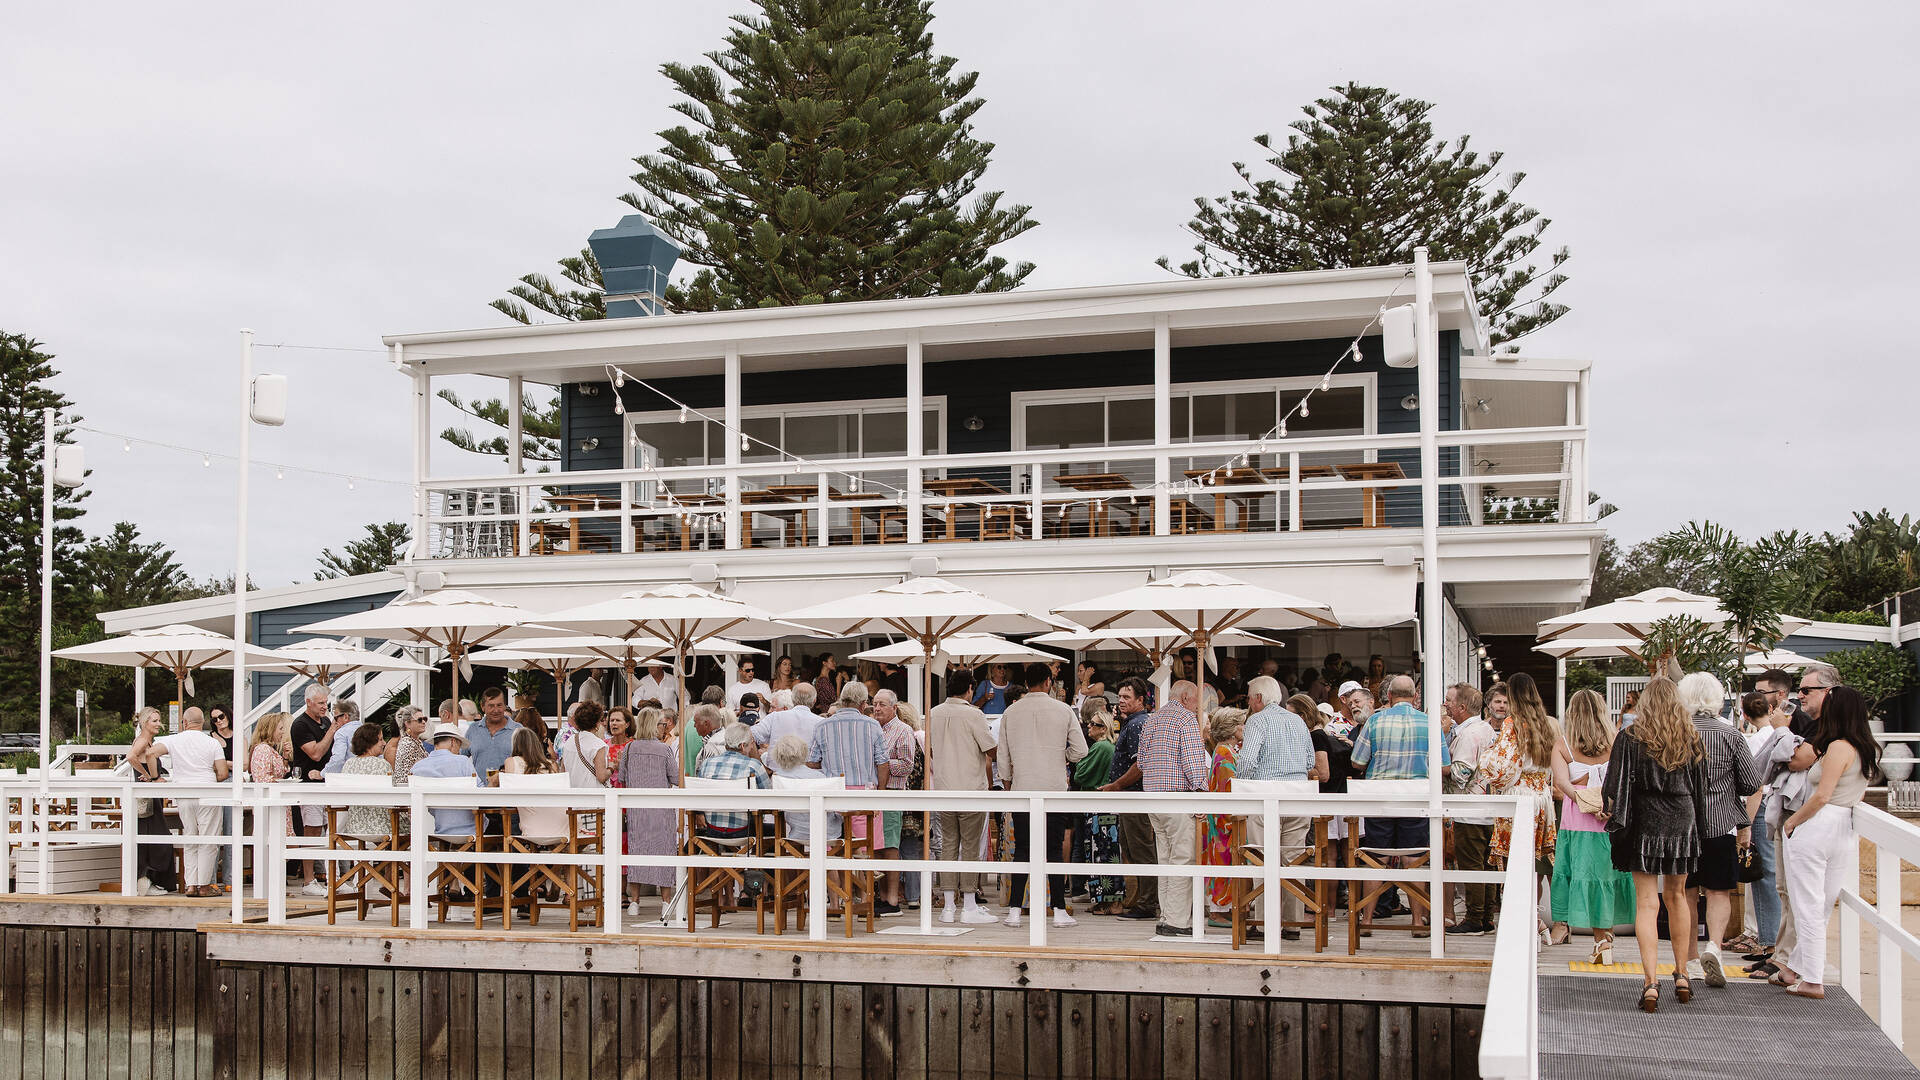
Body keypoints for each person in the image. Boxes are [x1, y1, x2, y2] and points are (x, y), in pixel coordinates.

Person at [1601, 676, 1711, 1012]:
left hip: (1645, 820)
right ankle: (1681, 973)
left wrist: (1613, 816)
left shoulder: (1631, 737)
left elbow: (1613, 787)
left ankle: (1650, 982)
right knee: (1678, 897)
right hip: (1683, 819)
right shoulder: (1692, 737)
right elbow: (1701, 788)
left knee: (1647, 903)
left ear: (1646, 702)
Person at [1774, 684, 1880, 999]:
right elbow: (1858, 793)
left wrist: (1792, 822)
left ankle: (1813, 980)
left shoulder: (1838, 747)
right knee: (1820, 904)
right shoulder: (1868, 748)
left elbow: (1821, 795)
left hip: (1818, 825)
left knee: (1806, 903)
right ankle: (1795, 967)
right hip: (1844, 828)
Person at [1676, 672, 1760, 988]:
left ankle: (1689, 959)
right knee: (1718, 890)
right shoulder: (1732, 736)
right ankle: (1715, 947)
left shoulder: (1674, 734)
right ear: (1716, 700)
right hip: (1719, 824)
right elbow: (1752, 783)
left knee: (1683, 892)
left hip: (1679, 827)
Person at [1747, 664, 1827, 982]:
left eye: (1807, 690)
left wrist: (1781, 731)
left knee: (1792, 890)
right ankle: (1779, 955)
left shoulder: (1819, 726)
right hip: (1786, 813)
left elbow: (1797, 759)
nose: (1802, 695)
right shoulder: (1798, 723)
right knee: (1782, 887)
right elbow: (1761, 765)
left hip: (1802, 817)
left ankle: (1787, 959)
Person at [1350, 675, 1448, 930]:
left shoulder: (1374, 721)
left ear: (1390, 696)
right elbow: (1445, 766)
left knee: (1375, 857)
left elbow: (1357, 762)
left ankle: (1368, 919)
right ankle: (1417, 921)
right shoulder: (1429, 723)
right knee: (1413, 858)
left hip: (1380, 798)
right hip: (1416, 798)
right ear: (1415, 697)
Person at [998, 662, 1088, 929]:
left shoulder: (1011, 712)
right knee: (1054, 850)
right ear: (1049, 682)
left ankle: (1015, 910)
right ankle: (1059, 908)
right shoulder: (1063, 710)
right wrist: (1063, 758)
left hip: (1022, 788)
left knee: (1023, 850)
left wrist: (1009, 781)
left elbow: (1003, 758)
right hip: (1054, 788)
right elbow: (1081, 750)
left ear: (1027, 682)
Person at [1548, 689, 1635, 962]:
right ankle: (1605, 939)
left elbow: (1561, 784)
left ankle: (1601, 942)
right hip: (1614, 824)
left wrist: (1584, 799)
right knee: (1607, 879)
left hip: (1577, 826)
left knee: (1586, 879)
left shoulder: (1562, 745)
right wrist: (1606, 805)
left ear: (1572, 714)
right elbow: (1628, 780)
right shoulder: (1620, 740)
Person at [1476, 672, 1560, 944]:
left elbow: (1503, 769)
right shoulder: (1546, 725)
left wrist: (1488, 757)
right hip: (1541, 797)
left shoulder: (1513, 724)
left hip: (1519, 796)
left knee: (1514, 863)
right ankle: (1534, 920)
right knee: (1533, 864)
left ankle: (1526, 923)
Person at [1235, 676, 1313, 937]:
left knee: (1263, 858)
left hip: (1266, 794)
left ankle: (1266, 922)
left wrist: (1242, 786)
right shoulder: (1297, 720)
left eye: (1248, 697)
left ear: (1258, 698)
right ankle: (1293, 924)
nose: (1248, 701)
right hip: (1298, 795)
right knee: (1294, 858)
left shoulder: (1257, 720)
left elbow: (1246, 761)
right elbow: (1310, 759)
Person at [1137, 680, 1210, 938]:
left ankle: (1166, 915)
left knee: (1165, 858)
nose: (1199, 705)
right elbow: (1193, 764)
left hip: (1153, 799)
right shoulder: (1186, 720)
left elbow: (1142, 761)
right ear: (1188, 698)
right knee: (1182, 857)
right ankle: (1177, 920)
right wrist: (1202, 795)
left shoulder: (1152, 719)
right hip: (1178, 798)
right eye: (1198, 700)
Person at [927, 667, 998, 924]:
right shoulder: (973, 715)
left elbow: (931, 750)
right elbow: (991, 750)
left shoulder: (933, 713)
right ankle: (968, 904)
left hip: (944, 788)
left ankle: (948, 906)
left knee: (947, 845)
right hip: (970, 790)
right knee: (969, 846)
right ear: (970, 689)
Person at [143, 706, 230, 897]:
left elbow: (149, 754)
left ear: (184, 723)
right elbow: (223, 773)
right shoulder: (212, 743)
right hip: (207, 793)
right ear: (203, 723)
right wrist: (208, 778)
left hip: (184, 793)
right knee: (209, 840)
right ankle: (205, 886)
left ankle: (190, 885)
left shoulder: (174, 740)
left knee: (190, 837)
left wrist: (155, 777)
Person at [1100, 677, 1159, 922]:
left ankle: (1147, 903)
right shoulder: (1133, 722)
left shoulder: (1137, 725)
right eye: (1120, 696)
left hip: (1134, 795)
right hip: (1129, 796)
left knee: (1140, 848)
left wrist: (1116, 785)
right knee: (1130, 847)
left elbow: (1140, 764)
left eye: (1127, 697)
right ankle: (1138, 899)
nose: (1121, 701)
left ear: (1140, 700)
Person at [614, 703, 680, 917]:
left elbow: (622, 777)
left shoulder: (629, 749)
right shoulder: (665, 749)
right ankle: (666, 901)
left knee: (637, 852)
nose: (663, 727)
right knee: (664, 852)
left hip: (637, 810)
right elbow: (675, 777)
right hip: (661, 810)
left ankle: (634, 901)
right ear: (655, 725)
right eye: (661, 723)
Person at [1445, 684, 1498, 935]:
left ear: (1461, 707)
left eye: (1449, 701)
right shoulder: (1487, 729)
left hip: (1469, 807)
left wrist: (1435, 765)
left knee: (1472, 865)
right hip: (1489, 806)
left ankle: (1475, 917)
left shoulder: (1468, 735)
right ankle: (1486, 915)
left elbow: (1460, 775)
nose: (1446, 706)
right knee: (1487, 864)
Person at [289, 684, 347, 892]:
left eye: (326, 702)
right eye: (321, 703)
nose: (325, 707)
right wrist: (333, 729)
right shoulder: (300, 725)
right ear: (308, 702)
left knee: (329, 830)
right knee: (311, 831)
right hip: (308, 784)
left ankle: (333, 879)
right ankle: (308, 881)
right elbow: (315, 753)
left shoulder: (324, 721)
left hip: (326, 782)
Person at [1075, 698, 1124, 915]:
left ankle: (1109, 901)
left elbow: (1080, 774)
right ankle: (1105, 900)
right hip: (1104, 808)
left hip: (1100, 809)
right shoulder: (1106, 747)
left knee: (1102, 854)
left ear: (1103, 728)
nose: (1089, 727)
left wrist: (1079, 762)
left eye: (1093, 724)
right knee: (1102, 853)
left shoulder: (1101, 747)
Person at [872, 689, 918, 915]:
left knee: (890, 845)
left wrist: (881, 764)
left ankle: (892, 899)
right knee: (876, 846)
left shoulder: (903, 730)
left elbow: (907, 765)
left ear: (894, 707)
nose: (877, 708)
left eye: (882, 704)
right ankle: (881, 897)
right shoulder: (872, 728)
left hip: (891, 792)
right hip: (873, 793)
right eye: (874, 704)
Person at [1200, 707, 1245, 920]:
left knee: (1222, 860)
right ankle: (1219, 909)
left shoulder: (1222, 750)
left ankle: (1223, 906)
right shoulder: (1225, 752)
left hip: (1221, 816)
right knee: (1223, 859)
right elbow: (1229, 784)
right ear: (1234, 728)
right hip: (1224, 818)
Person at [695, 723, 769, 841]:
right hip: (744, 829)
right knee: (775, 831)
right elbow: (768, 798)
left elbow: (697, 795)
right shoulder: (754, 766)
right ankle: (757, 857)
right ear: (742, 746)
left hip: (713, 828)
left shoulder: (707, 763)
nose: (752, 747)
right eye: (751, 743)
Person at [766, 734, 843, 846]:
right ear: (803, 752)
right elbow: (837, 807)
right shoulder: (818, 777)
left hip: (797, 832)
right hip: (828, 832)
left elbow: (773, 807)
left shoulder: (778, 778)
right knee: (848, 828)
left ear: (778, 755)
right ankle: (859, 861)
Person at [341, 723, 394, 839]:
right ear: (370, 742)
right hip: (382, 826)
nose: (384, 743)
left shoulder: (348, 764)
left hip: (354, 826)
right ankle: (393, 857)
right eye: (380, 740)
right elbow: (393, 797)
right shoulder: (382, 765)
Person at [248, 711, 293, 837]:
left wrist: (285, 757)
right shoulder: (262, 749)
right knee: (274, 839)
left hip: (277, 802)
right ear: (270, 729)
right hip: (269, 805)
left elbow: (279, 772)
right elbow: (262, 777)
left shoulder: (270, 749)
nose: (283, 732)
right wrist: (281, 782)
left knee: (282, 840)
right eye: (280, 729)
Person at [464, 687, 523, 780]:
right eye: (491, 706)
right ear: (482, 707)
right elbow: (461, 757)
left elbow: (528, 761)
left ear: (505, 706)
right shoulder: (473, 729)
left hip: (509, 791)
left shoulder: (518, 730)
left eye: (499, 705)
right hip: (479, 791)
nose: (496, 710)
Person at [560, 700, 612, 790]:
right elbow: (601, 777)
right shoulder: (598, 745)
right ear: (597, 723)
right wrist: (612, 767)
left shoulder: (569, 741)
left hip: (572, 795)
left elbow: (563, 771)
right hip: (593, 797)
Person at [754, 681, 821, 746]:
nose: (769, 711)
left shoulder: (775, 717)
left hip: (776, 757)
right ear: (814, 701)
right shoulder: (821, 723)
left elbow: (750, 735)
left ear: (792, 698)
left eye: (773, 707)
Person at [391, 706, 430, 786]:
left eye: (424, 719)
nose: (423, 722)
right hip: (408, 790)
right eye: (419, 720)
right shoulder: (408, 744)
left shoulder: (415, 741)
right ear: (407, 723)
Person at [323, 699, 364, 775]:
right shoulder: (367, 729)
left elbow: (338, 759)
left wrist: (322, 774)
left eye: (336, 718)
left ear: (345, 717)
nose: (334, 721)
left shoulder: (341, 733)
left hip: (349, 778)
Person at [604, 707, 633, 773]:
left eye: (618, 720)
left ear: (627, 724)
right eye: (612, 720)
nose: (614, 723)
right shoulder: (603, 744)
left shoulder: (634, 746)